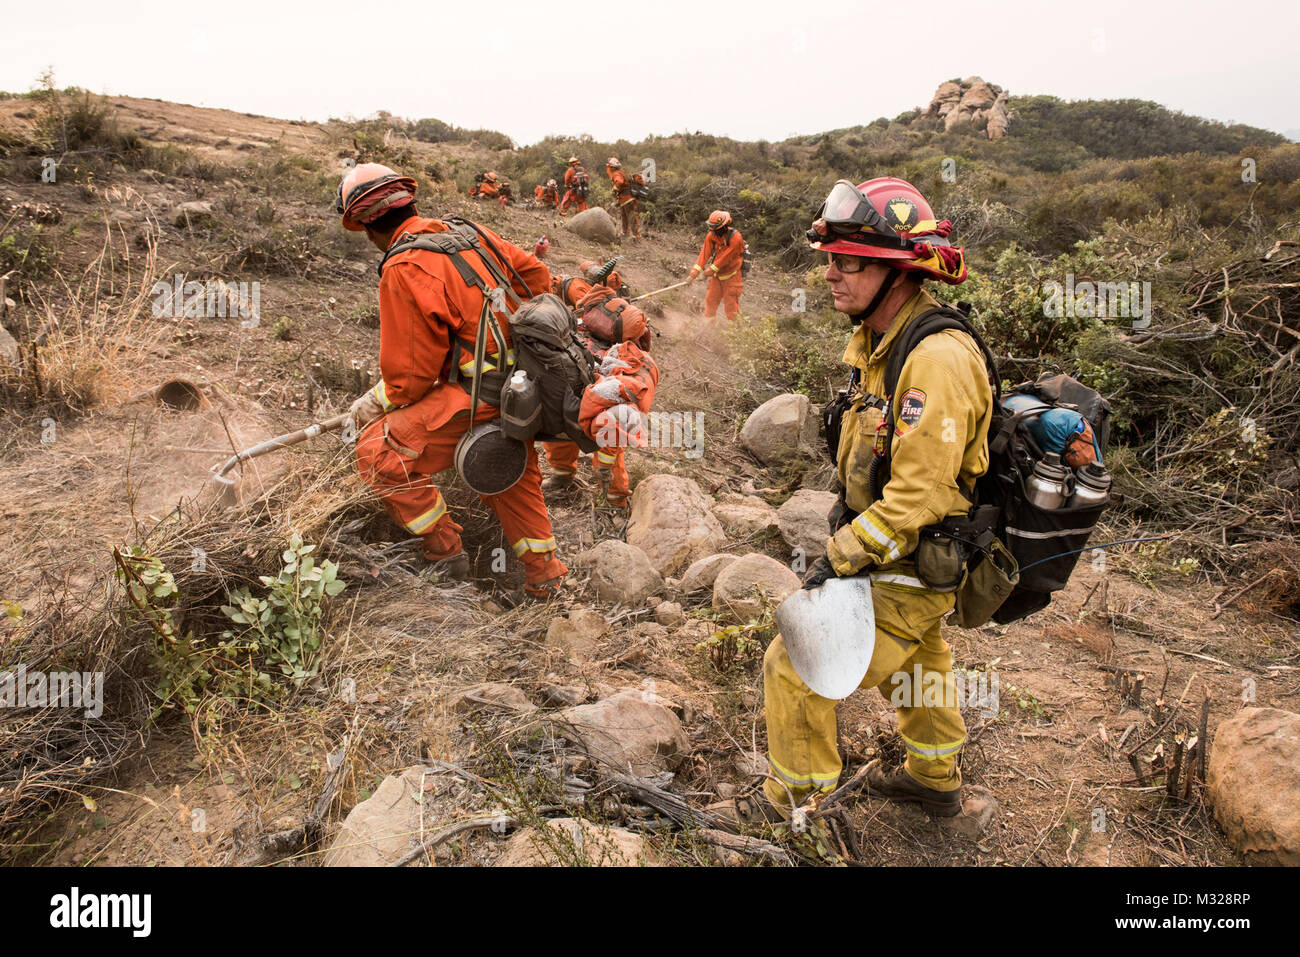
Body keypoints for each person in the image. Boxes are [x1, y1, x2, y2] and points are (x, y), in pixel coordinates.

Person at [756, 176, 987, 821]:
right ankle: (935, 779)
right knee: (920, 660)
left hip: (912, 557)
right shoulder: (880, 344)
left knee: (795, 666)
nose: (831, 272)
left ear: (896, 270)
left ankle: (800, 814)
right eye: (829, 257)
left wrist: (842, 554)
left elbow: (921, 495)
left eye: (848, 260)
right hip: (905, 555)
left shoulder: (936, 361)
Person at [336, 162, 568, 599]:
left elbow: (409, 379)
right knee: (510, 469)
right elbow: (537, 278)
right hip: (528, 389)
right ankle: (546, 575)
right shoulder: (469, 232)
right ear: (411, 201)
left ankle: (444, 554)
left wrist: (376, 399)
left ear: (366, 228)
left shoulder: (404, 266)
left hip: (478, 398)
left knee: (378, 455)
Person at [540, 260, 655, 508]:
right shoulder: (585, 300)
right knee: (558, 428)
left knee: (610, 448)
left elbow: (617, 430)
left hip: (606, 408)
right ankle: (562, 475)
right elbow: (577, 288)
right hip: (576, 383)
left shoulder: (628, 383)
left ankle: (616, 500)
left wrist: (603, 462)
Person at [687, 210, 744, 321]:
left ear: (724, 226)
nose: (712, 231)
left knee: (731, 308)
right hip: (716, 277)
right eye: (711, 227)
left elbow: (723, 260)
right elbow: (703, 256)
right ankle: (708, 329)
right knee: (710, 302)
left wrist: (706, 273)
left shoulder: (736, 238)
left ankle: (737, 333)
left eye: (715, 228)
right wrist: (692, 275)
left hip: (732, 278)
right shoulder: (711, 236)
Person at [605, 157, 641, 239]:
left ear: (612, 167)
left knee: (631, 217)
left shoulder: (616, 174)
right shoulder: (621, 172)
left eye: (609, 167)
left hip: (627, 198)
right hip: (625, 199)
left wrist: (614, 188)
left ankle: (637, 236)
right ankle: (626, 233)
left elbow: (619, 182)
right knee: (624, 216)